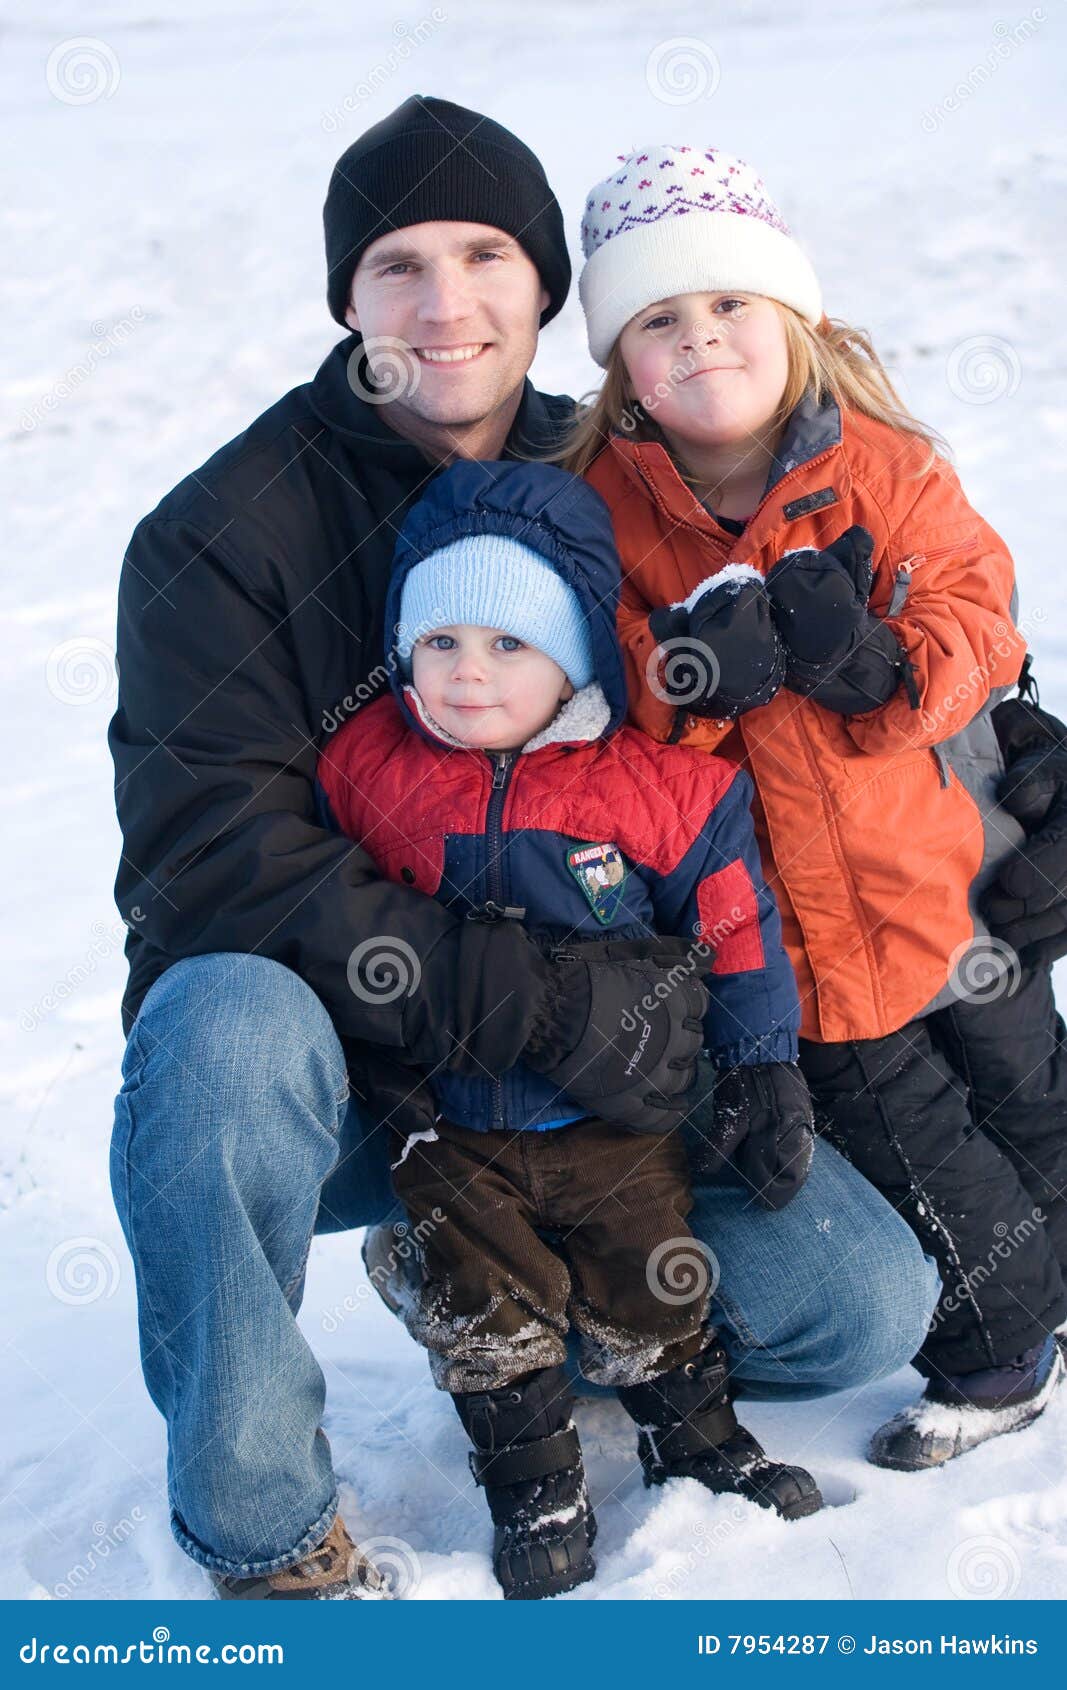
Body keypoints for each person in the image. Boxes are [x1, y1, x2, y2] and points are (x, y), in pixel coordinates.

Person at [105, 95, 937, 1602]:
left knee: (857, 1299)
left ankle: (520, 1294)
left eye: (485, 254)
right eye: (396, 265)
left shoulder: (612, 471)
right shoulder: (223, 530)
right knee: (212, 1024)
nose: (445, 304)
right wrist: (523, 997)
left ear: (544, 286)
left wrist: (989, 770)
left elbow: (771, 728)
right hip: (351, 1070)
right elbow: (204, 860)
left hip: (594, 1078)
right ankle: (266, 1528)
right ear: (343, 298)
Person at [563, 141, 1067, 1469]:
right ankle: (998, 1352)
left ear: (791, 318)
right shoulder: (600, 511)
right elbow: (597, 701)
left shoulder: (884, 469)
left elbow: (977, 610)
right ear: (621, 365)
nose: (699, 338)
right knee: (929, 1156)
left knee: (1031, 1103)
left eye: (726, 302)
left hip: (959, 888)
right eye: (657, 319)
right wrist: (684, 676)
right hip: (802, 954)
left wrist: (880, 667)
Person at [317, 457, 823, 1599]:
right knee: (484, 1308)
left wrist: (761, 1064)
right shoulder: (365, 774)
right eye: (438, 641)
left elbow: (732, 926)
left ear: (576, 656)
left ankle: (698, 1442)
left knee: (655, 1278)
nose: (467, 674)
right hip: (449, 1124)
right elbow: (317, 912)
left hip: (609, 1116)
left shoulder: (660, 792)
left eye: (509, 644)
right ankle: (533, 1487)